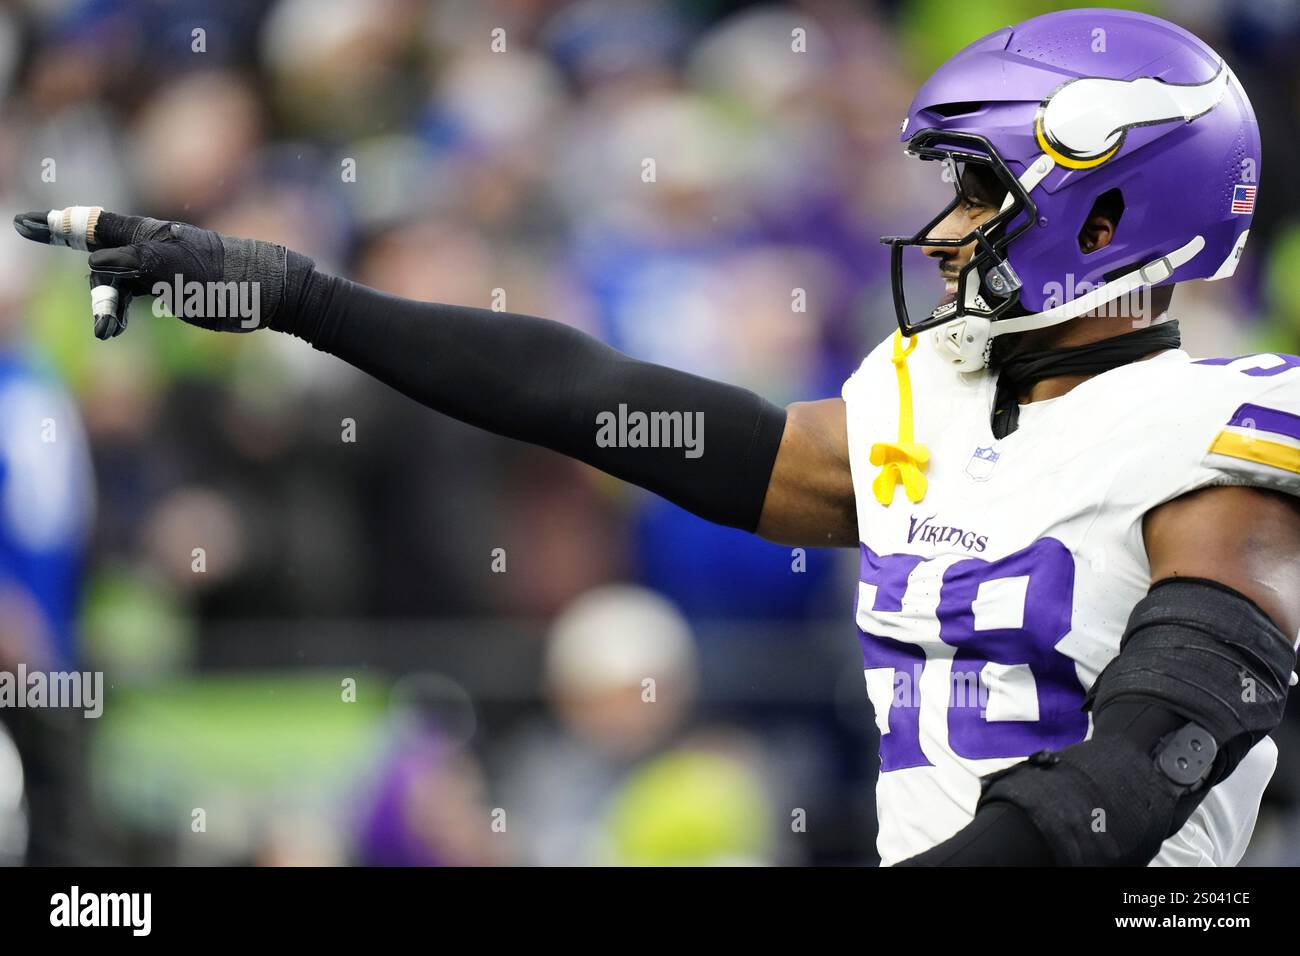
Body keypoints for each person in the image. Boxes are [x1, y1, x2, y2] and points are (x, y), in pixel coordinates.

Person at [17, 8, 1300, 866]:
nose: (949, 229)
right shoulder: (929, 403)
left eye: (980, 190)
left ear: (1102, 220)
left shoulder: (1209, 437)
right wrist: (298, 295)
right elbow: (590, 394)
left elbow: (1135, 775)